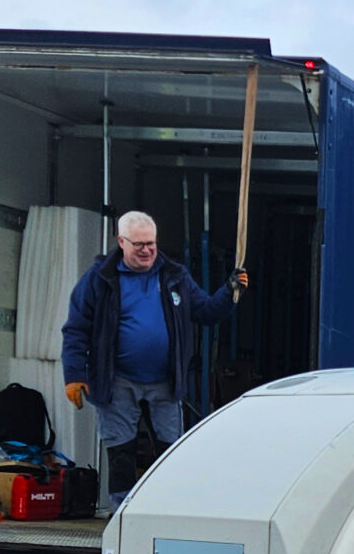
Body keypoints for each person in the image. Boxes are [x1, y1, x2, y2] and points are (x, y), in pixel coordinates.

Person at [61, 211, 247, 504]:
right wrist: (74, 375)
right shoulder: (99, 279)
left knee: (170, 448)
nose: (146, 250)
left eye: (151, 243)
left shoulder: (175, 276)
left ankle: (168, 506)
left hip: (165, 380)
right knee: (120, 448)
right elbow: (76, 328)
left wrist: (229, 291)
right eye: (139, 244)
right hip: (117, 379)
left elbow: (206, 312)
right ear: (121, 242)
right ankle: (121, 510)